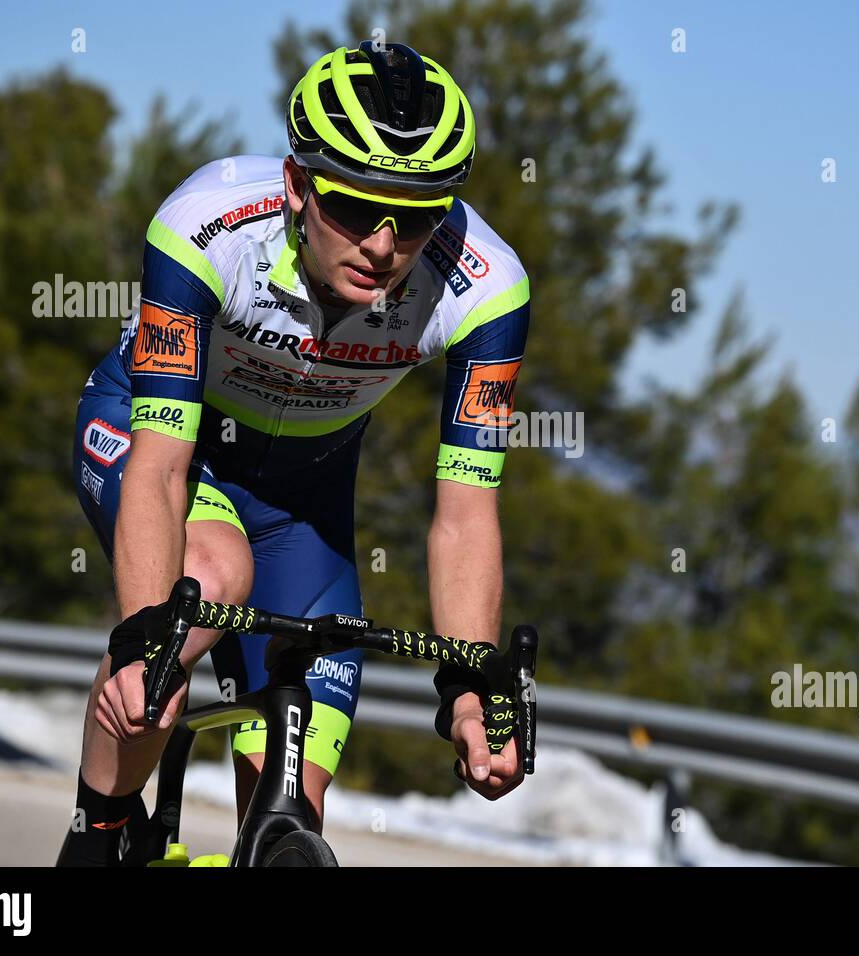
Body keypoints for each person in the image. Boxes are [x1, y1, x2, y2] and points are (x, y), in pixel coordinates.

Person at [57, 40, 530, 866]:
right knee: (207, 579)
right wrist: (142, 639)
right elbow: (162, 469)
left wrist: (469, 683)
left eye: (416, 217)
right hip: (160, 439)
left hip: (302, 506)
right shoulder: (207, 228)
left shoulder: (486, 290)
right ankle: (94, 836)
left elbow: (464, 514)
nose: (383, 246)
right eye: (353, 209)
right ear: (297, 186)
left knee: (288, 813)